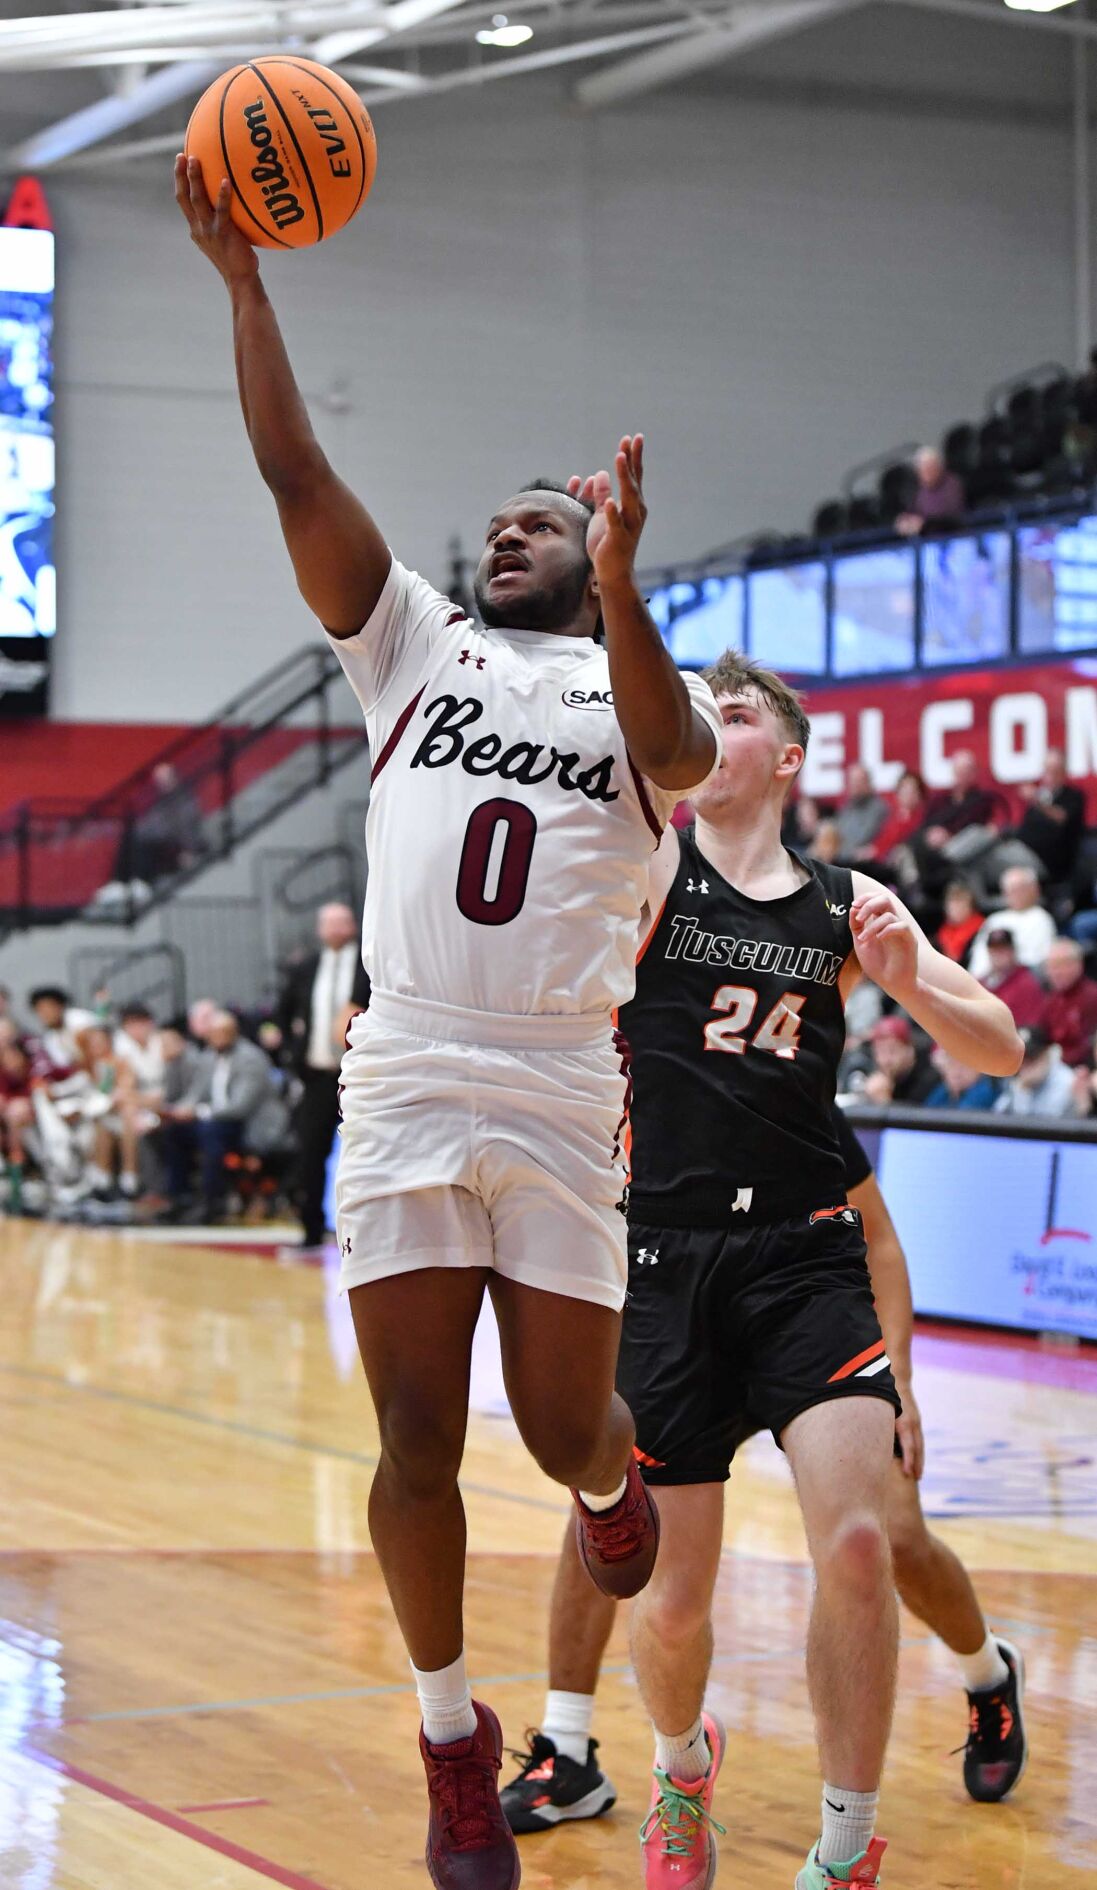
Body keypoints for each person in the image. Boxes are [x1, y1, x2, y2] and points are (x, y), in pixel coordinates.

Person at [177, 154, 724, 1890]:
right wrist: (246, 283)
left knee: (566, 1433)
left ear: (592, 555)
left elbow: (682, 758)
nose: (507, 534)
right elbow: (295, 470)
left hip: (560, 1081)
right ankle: (449, 1742)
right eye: (495, 523)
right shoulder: (407, 646)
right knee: (413, 1438)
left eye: (538, 523)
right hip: (410, 1062)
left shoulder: (645, 685)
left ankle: (609, 1483)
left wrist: (625, 585)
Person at [503, 648, 1017, 1890]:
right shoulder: (647, 865)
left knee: (862, 1544)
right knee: (672, 1603)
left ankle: (844, 1846)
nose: (701, 728)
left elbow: (1000, 1047)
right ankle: (680, 1771)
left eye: (726, 715)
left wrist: (910, 988)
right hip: (663, 1260)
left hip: (802, 1256)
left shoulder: (849, 902)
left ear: (784, 757)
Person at [502, 1106, 1027, 1838]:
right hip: (682, 1327)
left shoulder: (778, 1093)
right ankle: (566, 1748)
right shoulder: (615, 1101)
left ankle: (987, 1672)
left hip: (795, 1321)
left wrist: (901, 1381)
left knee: (893, 1539)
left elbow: (878, 1240)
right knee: (605, 1507)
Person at [271, 902, 371, 1253]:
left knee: (367, 1152)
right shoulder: (306, 967)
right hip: (317, 1075)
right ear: (319, 929)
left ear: (353, 926)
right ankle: (311, 1230)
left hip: (361, 1075)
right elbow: (282, 1013)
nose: (336, 929)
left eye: (342, 922)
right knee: (310, 1152)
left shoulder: (368, 964)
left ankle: (366, 1235)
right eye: (329, 923)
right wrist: (290, 1050)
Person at [160, 1010, 291, 1221]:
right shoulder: (208, 1057)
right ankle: (180, 1198)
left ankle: (213, 1202)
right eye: (213, 1033)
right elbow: (196, 1093)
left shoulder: (251, 1058)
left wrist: (199, 1112)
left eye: (223, 1032)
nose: (217, 1038)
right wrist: (178, 1111)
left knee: (211, 1134)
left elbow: (240, 1106)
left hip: (250, 1124)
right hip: (215, 1120)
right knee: (175, 1132)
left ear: (234, 1032)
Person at [967, 867, 1057, 982]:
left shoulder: (1041, 919)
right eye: (1011, 890)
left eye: (1021, 889)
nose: (1016, 895)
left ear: (1035, 890)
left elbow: (1037, 961)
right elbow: (978, 959)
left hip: (1020, 982)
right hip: (986, 982)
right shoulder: (994, 920)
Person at [1014, 750, 1086, 889]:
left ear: (1064, 772)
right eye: (1047, 770)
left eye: (1055, 771)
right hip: (1022, 850)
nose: (1050, 776)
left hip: (1049, 862)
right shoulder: (1041, 797)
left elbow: (1061, 817)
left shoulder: (1073, 796)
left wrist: (1037, 800)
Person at [994, 1026, 1076, 1119]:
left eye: (1032, 1057)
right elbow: (997, 1114)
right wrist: (1020, 1089)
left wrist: (1023, 1091)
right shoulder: (1014, 1076)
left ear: (1047, 1053)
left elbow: (1042, 1123)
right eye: (1021, 1058)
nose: (1025, 1065)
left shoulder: (1066, 1081)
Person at [1040, 936, 1097, 1068]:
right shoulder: (1050, 999)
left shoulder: (1092, 997)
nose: (1056, 972)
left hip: (1084, 1068)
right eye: (1051, 966)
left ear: (1078, 965)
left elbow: (1089, 1045)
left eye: (1062, 965)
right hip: (1054, 1067)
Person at [976, 928, 1046, 1031]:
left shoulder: (1026, 983)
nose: (998, 954)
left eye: (1003, 949)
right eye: (994, 950)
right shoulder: (980, 983)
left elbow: (1031, 1026)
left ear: (1013, 951)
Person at [860, 1015, 937, 1108]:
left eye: (892, 1051)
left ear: (909, 1049)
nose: (886, 1060)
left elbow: (917, 1114)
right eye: (880, 1052)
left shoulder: (928, 1077)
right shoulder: (880, 1073)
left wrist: (883, 1101)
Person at [896, 446, 965, 537]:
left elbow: (951, 514)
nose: (927, 473)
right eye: (923, 469)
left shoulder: (952, 483)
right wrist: (906, 520)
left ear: (939, 467)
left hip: (953, 535)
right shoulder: (916, 489)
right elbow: (911, 512)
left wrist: (924, 523)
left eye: (930, 468)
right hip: (926, 539)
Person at [834, 764, 888, 862]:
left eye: (859, 781)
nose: (854, 785)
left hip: (862, 863)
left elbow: (861, 839)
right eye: (852, 781)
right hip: (843, 859)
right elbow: (838, 834)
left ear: (868, 783)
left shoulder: (878, 808)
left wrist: (837, 851)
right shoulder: (847, 808)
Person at [923, 1048, 1001, 1113]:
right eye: (951, 1064)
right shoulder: (945, 1089)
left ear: (979, 1070)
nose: (956, 1072)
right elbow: (926, 1114)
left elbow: (958, 1120)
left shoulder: (987, 1089)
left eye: (964, 1066)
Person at [935, 880, 982, 966]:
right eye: (952, 903)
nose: (956, 908)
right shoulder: (944, 931)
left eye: (960, 903)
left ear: (970, 906)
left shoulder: (981, 927)